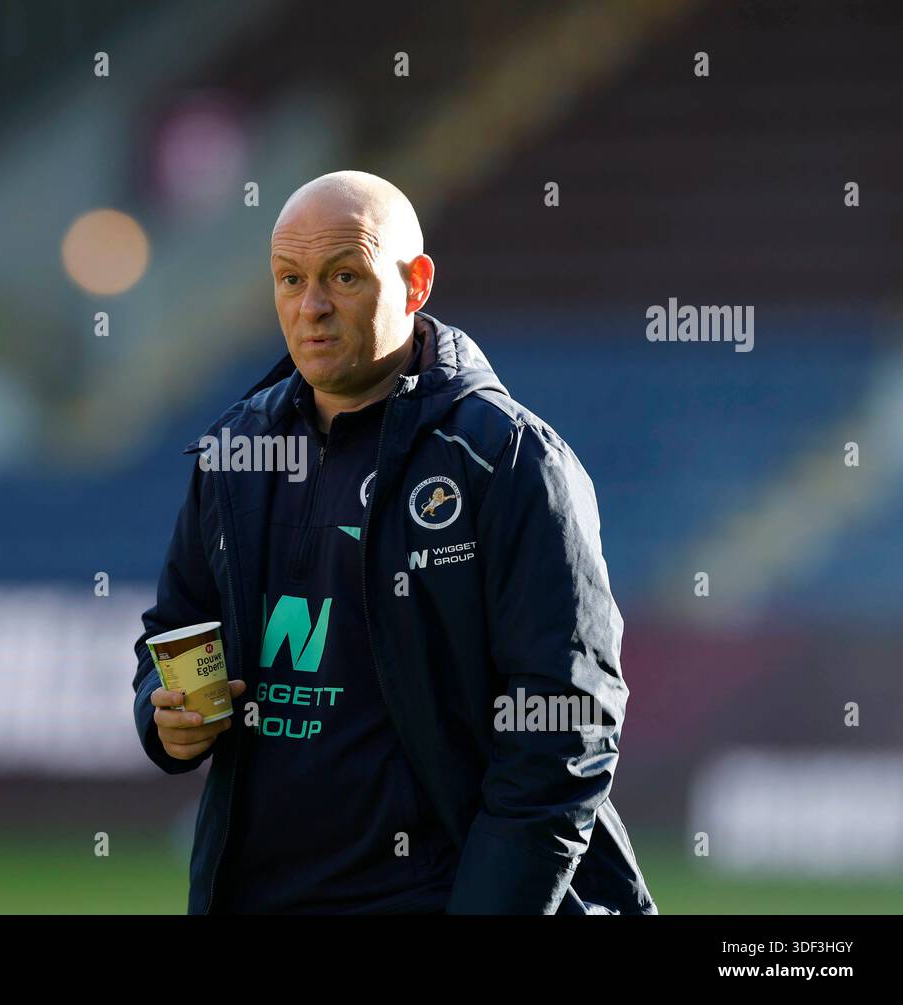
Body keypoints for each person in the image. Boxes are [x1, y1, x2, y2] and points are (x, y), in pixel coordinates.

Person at [133, 170, 656, 915]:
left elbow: (566, 722)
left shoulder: (509, 460)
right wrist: (164, 710)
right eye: (290, 278)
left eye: (344, 275)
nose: (310, 306)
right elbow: (172, 628)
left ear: (416, 284)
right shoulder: (234, 453)